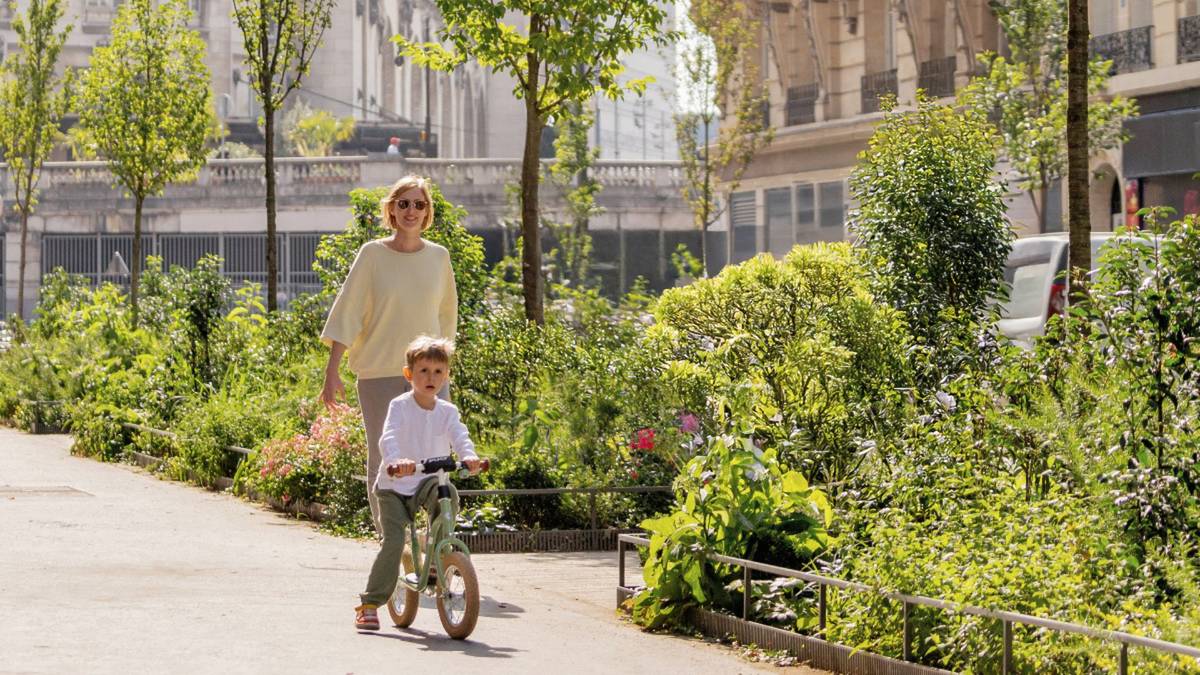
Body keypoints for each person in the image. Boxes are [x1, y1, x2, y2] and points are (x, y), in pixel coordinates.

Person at [319, 174, 458, 533]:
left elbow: (446, 320)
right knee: (384, 457)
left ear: (427, 212)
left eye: (419, 204)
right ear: (391, 210)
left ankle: (436, 546)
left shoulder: (439, 258)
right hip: (380, 373)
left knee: (439, 458)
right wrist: (332, 372)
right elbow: (347, 312)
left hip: (430, 375)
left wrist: (443, 372)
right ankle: (392, 542)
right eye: (404, 203)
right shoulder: (373, 255)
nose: (411, 210)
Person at [353, 336, 480, 631]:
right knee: (395, 542)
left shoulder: (447, 411)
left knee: (447, 493)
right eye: (423, 371)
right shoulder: (400, 406)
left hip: (427, 481)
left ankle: (437, 559)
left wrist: (469, 457)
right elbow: (389, 436)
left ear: (446, 375)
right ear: (409, 374)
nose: (431, 378)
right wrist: (397, 460)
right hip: (394, 487)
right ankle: (370, 603)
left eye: (438, 371)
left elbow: (460, 435)